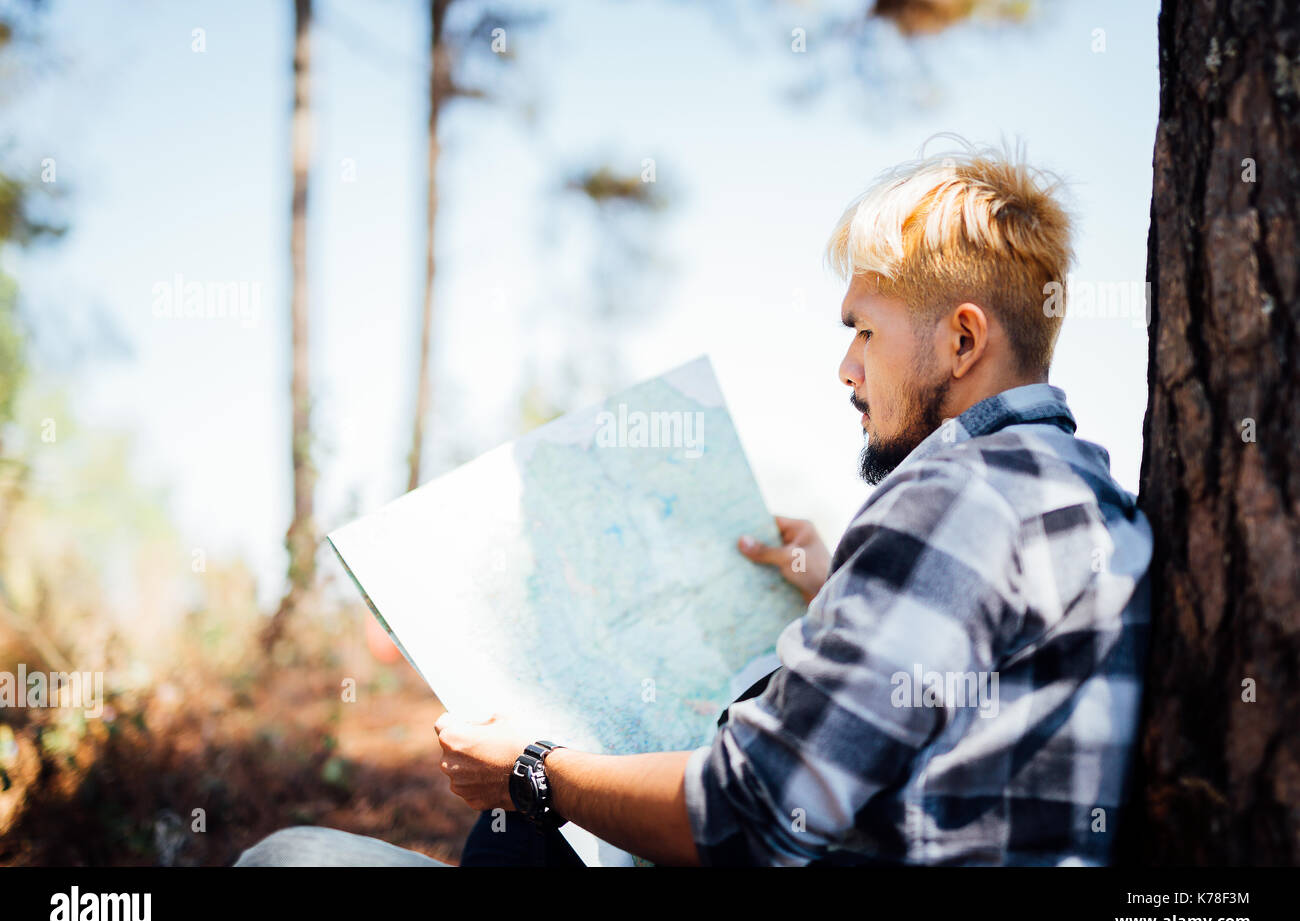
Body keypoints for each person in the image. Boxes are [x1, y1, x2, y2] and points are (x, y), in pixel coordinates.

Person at [237, 138, 1151, 868]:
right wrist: (833, 586)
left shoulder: (953, 499)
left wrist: (529, 773)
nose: (846, 368)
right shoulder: (1092, 497)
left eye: (865, 331)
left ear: (961, 340)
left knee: (296, 858)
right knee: (524, 840)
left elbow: (754, 819)